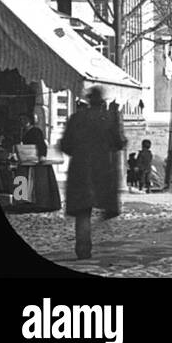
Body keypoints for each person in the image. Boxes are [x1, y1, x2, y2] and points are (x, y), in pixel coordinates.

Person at [60, 85, 124, 261]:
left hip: (80, 169)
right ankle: (103, 239)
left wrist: (79, 152)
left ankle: (83, 249)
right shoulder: (109, 119)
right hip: (102, 169)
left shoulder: (76, 118)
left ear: (88, 101)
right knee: (105, 206)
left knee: (83, 211)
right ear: (102, 101)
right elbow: (119, 143)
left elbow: (65, 145)